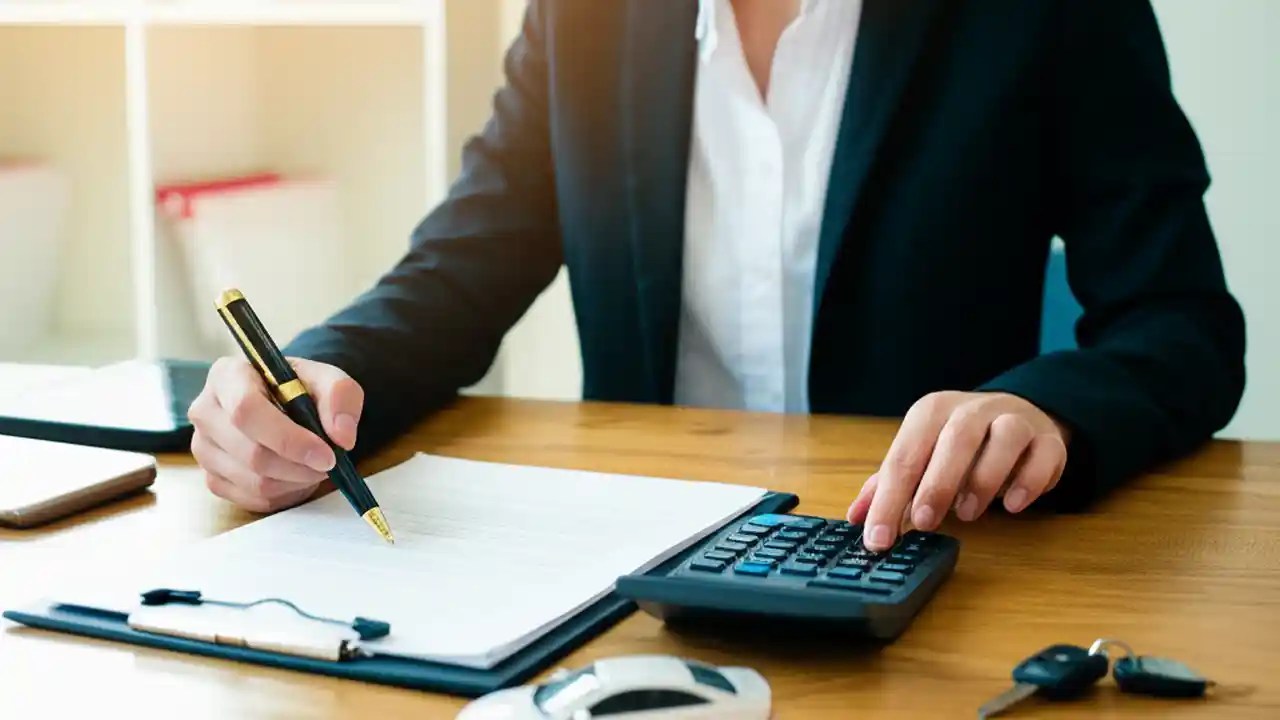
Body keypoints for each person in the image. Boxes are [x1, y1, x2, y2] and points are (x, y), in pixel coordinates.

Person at [187, 0, 1245, 552]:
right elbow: (462, 265)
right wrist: (313, 371)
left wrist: (1040, 409)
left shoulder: (1045, 8)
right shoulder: (584, 15)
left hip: (923, 554)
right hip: (637, 571)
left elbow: (1180, 324)